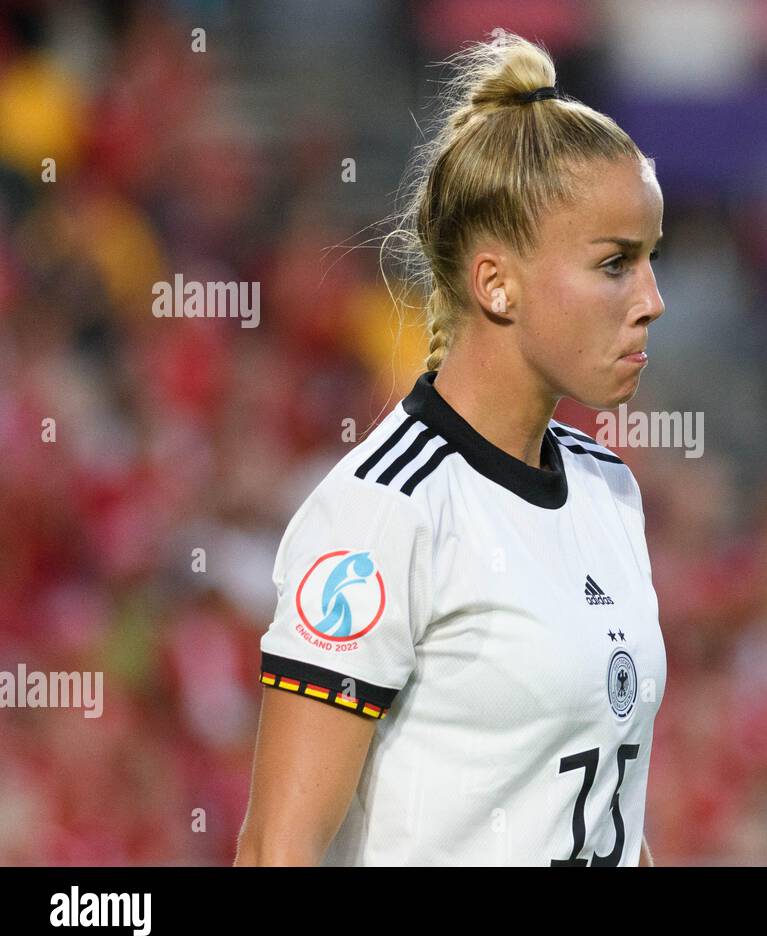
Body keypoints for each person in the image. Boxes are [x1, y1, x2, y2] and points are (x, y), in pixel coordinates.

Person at [235, 32, 667, 866]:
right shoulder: (382, 514)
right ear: (496, 282)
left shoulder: (609, 488)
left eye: (651, 259)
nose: (651, 300)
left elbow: (609, 808)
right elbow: (275, 851)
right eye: (615, 264)